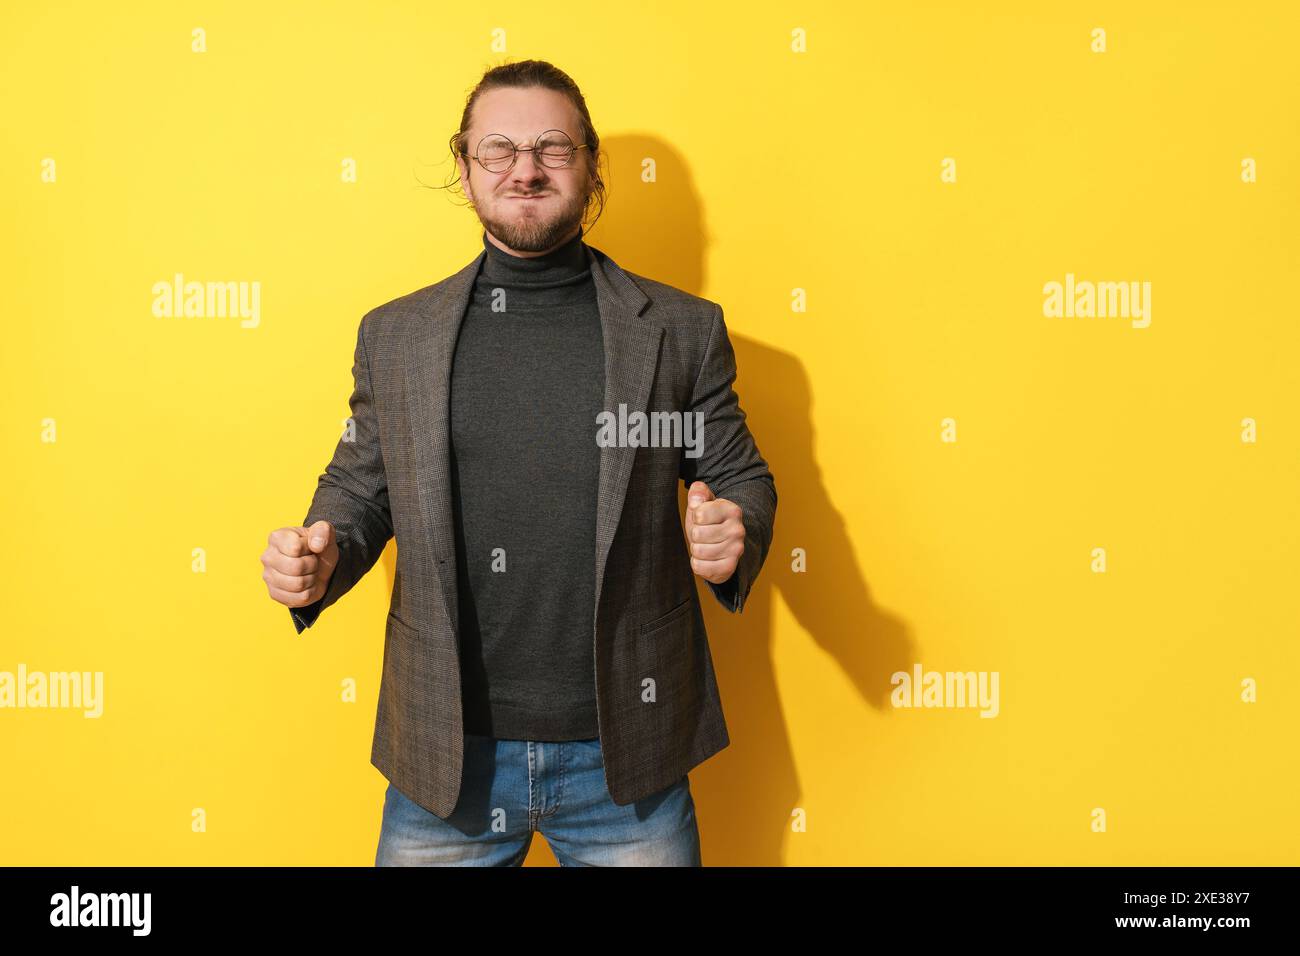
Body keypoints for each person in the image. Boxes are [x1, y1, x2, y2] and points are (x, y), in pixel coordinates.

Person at [260, 59, 776, 866]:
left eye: (551, 147)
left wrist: (734, 527)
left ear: (591, 167)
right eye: (496, 149)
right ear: (464, 169)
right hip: (446, 761)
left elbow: (740, 475)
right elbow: (363, 491)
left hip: (627, 765)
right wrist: (321, 556)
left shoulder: (679, 329)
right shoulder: (396, 336)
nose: (524, 169)